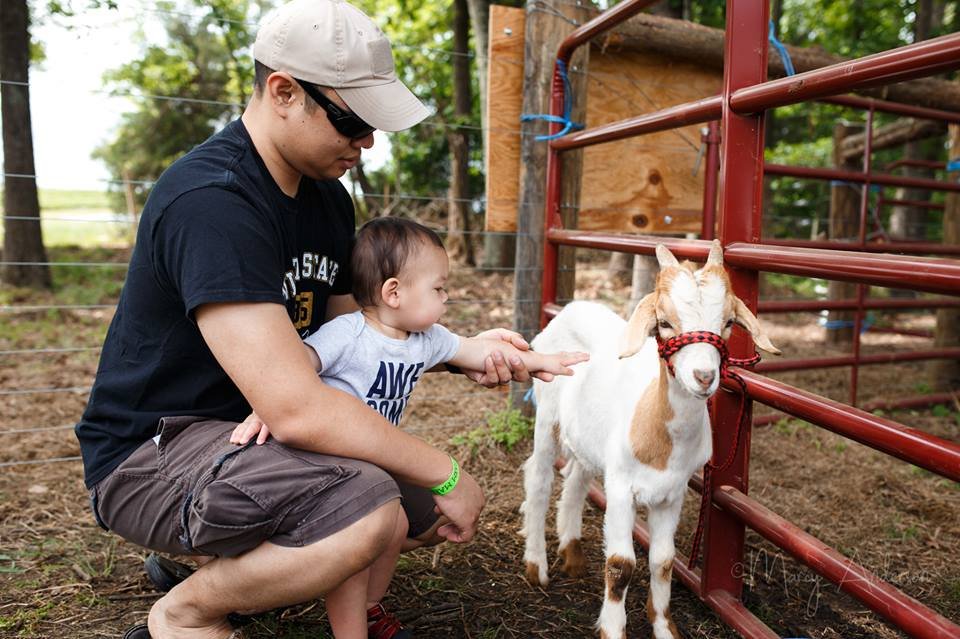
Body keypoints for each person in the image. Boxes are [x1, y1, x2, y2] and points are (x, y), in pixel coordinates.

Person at [74, 2, 550, 638]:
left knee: (423, 515)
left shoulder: (326, 198)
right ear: (284, 92)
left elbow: (358, 336)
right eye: (353, 122)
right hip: (156, 451)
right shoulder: (213, 202)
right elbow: (297, 407)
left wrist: (456, 349)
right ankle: (183, 615)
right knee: (371, 513)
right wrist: (448, 468)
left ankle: (224, 558)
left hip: (253, 439)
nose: (368, 142)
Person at [229, 216, 588, 638]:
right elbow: (300, 365)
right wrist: (267, 406)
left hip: (370, 458)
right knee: (375, 529)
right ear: (393, 292)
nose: (447, 297)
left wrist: (543, 361)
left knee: (395, 525)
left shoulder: (425, 338)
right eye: (439, 288)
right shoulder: (348, 334)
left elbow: (477, 351)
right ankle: (351, 626)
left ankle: (365, 606)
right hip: (323, 455)